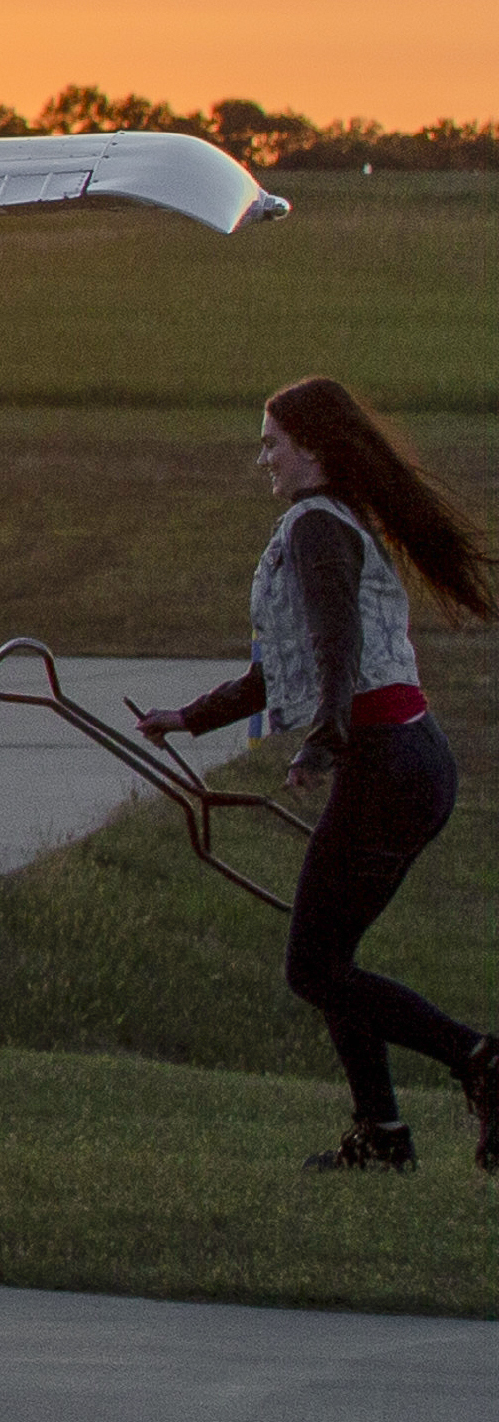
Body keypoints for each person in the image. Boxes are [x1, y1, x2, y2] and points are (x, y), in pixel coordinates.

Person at [128, 377, 493, 1172]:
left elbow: (337, 648)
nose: (263, 457)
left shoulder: (315, 528)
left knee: (313, 967)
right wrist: (186, 718)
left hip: (385, 765)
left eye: (273, 444)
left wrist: (323, 741)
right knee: (333, 962)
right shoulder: (334, 520)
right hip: (414, 759)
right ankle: (383, 1135)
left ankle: (479, 1061)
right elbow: (283, 669)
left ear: (314, 451)